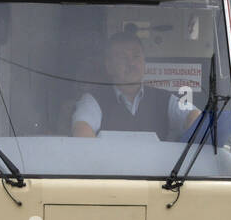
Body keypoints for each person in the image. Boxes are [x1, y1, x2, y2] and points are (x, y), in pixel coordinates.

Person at [72, 31, 212, 141]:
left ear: (144, 62)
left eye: (136, 56)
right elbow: (82, 130)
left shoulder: (164, 98)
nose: (131, 63)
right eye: (122, 57)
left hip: (162, 176)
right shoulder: (93, 100)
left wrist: (194, 124)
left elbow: (195, 117)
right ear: (109, 66)